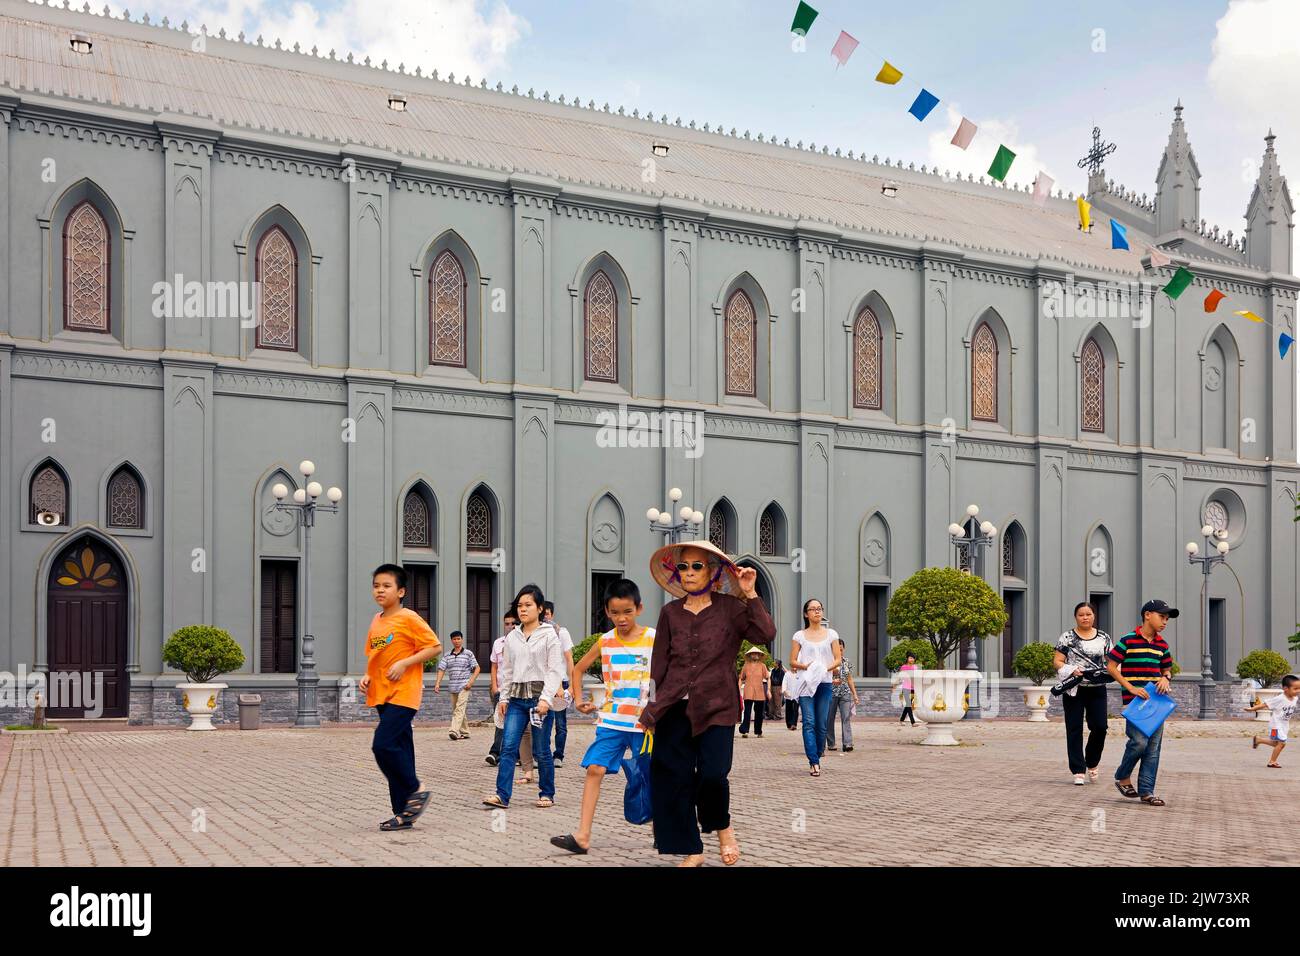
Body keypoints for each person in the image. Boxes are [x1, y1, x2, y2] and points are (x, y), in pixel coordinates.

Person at [641, 540, 775, 867]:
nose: (688, 572)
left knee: (714, 774)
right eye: (683, 567)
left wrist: (751, 593)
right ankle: (693, 848)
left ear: (712, 571)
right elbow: (658, 666)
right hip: (673, 707)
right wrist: (650, 709)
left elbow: (765, 633)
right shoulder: (670, 613)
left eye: (696, 566)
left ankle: (722, 825)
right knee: (676, 777)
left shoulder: (731, 608)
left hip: (718, 704)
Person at [550, 578, 655, 854]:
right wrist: (578, 698)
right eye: (615, 612)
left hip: (646, 724)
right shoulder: (605, 641)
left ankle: (662, 832)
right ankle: (582, 836)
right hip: (611, 720)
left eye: (628, 612)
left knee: (650, 775)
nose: (621, 618)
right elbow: (577, 669)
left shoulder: (653, 638)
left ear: (639, 608)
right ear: (607, 612)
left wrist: (658, 708)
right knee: (595, 769)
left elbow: (667, 674)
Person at [360, 564, 442, 831]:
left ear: (401, 590)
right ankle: (403, 813)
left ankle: (415, 788)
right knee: (402, 752)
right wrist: (367, 676)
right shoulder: (377, 620)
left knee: (382, 745)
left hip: (404, 693)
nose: (380, 590)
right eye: (376, 585)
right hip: (381, 693)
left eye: (386, 586)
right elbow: (377, 653)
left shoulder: (409, 617)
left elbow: (434, 646)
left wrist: (406, 663)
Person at [483, 584, 566, 809]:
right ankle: (502, 795)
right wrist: (503, 698)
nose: (523, 609)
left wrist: (546, 699)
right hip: (517, 701)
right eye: (520, 605)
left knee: (541, 750)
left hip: (540, 701)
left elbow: (554, 670)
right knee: (508, 747)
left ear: (540, 608)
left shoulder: (550, 635)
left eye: (528, 605)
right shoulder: (512, 638)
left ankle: (546, 793)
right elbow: (507, 671)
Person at [1108, 599, 1177, 807]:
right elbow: (1111, 666)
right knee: (1139, 743)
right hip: (1134, 704)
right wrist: (1129, 688)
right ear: (1147, 615)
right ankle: (1122, 775)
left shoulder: (1162, 645)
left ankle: (1147, 791)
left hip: (1157, 704)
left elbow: (1167, 669)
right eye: (1161, 616)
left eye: (1167, 619)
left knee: (1153, 749)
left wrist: (1166, 678)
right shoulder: (1128, 641)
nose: (1165, 622)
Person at [1053, 602, 1114, 784]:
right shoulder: (1067, 637)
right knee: (1074, 729)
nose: (1085, 617)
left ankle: (1092, 763)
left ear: (1094, 616)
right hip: (1074, 689)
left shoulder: (1103, 637)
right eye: (1081, 615)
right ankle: (1078, 770)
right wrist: (1071, 669)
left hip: (1097, 688)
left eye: (1088, 614)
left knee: (1100, 727)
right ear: (1076, 617)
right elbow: (1057, 661)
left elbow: (1111, 660)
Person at [790, 598, 841, 777]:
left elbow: (838, 659)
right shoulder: (799, 636)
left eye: (819, 608)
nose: (817, 612)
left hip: (824, 683)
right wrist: (808, 667)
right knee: (809, 722)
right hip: (806, 683)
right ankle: (814, 761)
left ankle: (818, 751)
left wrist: (823, 669)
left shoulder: (832, 634)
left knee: (821, 724)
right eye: (813, 609)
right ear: (806, 614)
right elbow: (793, 661)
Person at [542, 601, 575, 767]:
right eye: (543, 614)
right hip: (544, 683)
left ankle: (558, 755)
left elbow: (569, 659)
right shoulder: (538, 633)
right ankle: (544, 754)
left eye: (547, 614)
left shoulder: (561, 632)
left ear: (552, 614)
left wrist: (572, 685)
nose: (545, 617)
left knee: (560, 723)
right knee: (543, 720)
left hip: (561, 681)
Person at [433, 630, 480, 741]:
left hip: (464, 686)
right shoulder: (447, 655)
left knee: (459, 708)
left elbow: (477, 668)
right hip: (453, 687)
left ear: (462, 640)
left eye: (459, 638)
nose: (457, 641)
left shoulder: (468, 654)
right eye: (454, 639)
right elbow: (441, 669)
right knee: (458, 710)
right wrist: (437, 683)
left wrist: (470, 682)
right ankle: (465, 732)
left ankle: (453, 730)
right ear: (451, 640)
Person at [486, 611, 519, 766]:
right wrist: (494, 686)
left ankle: (518, 755)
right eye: (507, 624)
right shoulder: (498, 643)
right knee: (500, 722)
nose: (510, 626)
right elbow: (494, 666)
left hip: (517, 690)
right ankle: (495, 753)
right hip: (501, 689)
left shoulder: (524, 643)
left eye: (513, 623)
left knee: (517, 723)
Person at [1246, 674, 1300, 767]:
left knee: (1276, 743)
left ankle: (1258, 740)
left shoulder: (1295, 698)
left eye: (1299, 688)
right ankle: (1272, 761)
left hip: (1284, 725)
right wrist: (1253, 709)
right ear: (1285, 689)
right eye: (1295, 689)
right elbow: (1265, 704)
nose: (1298, 691)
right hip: (1275, 725)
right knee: (1282, 743)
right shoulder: (1280, 698)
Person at [825, 639, 859, 752]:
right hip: (831, 693)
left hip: (845, 693)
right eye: (837, 649)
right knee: (830, 719)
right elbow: (822, 677)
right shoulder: (828, 662)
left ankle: (847, 743)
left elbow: (849, 679)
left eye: (841, 649)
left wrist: (855, 694)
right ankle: (831, 743)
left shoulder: (846, 662)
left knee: (846, 718)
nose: (840, 651)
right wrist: (831, 681)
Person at [738, 647, 768, 738]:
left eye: (757, 654)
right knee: (747, 712)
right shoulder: (746, 665)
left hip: (760, 691)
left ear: (759, 655)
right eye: (753, 653)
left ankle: (758, 731)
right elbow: (741, 678)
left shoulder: (762, 666)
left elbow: (767, 678)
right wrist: (738, 689)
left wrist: (769, 690)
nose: (755, 655)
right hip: (748, 691)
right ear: (750, 655)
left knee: (759, 713)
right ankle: (745, 731)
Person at [897, 653, 918, 726]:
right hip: (906, 687)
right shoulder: (903, 667)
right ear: (907, 659)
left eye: (913, 658)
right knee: (908, 704)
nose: (911, 659)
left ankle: (901, 720)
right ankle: (913, 722)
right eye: (910, 658)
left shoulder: (915, 667)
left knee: (908, 705)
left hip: (913, 688)